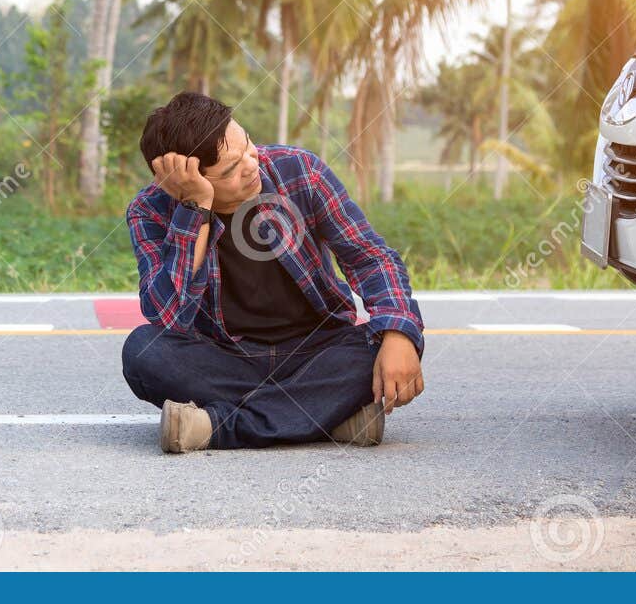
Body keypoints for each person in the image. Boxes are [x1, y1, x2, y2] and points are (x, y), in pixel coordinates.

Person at [120, 90, 425, 452]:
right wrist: (195, 208)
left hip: (318, 349)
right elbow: (169, 316)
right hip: (225, 356)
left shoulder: (300, 170)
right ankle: (326, 415)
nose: (252, 165)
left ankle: (216, 428)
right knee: (144, 353)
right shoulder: (150, 210)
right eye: (230, 169)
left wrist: (398, 335)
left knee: (381, 345)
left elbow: (369, 257)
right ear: (186, 182)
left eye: (248, 145)